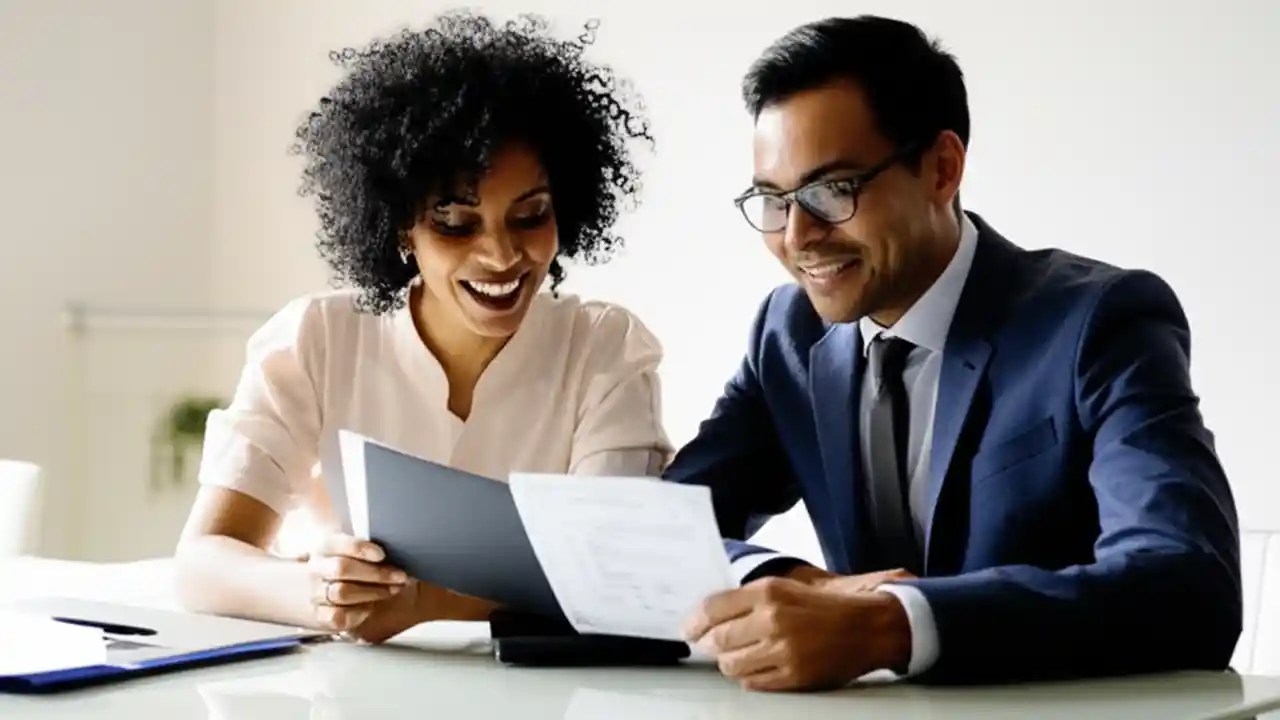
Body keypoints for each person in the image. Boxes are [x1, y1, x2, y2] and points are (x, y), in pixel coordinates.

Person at [665, 15, 1241, 690]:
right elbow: (659, 535)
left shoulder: (1099, 323)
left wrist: (894, 624)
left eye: (832, 191)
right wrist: (797, 581)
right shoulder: (788, 334)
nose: (798, 235)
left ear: (942, 168)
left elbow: (1187, 583)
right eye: (773, 199)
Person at [174, 11, 670, 644]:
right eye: (457, 224)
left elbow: (612, 572)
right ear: (400, 228)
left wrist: (425, 603)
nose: (501, 256)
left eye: (530, 216)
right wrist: (320, 593)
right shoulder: (317, 339)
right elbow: (202, 560)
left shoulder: (604, 350)